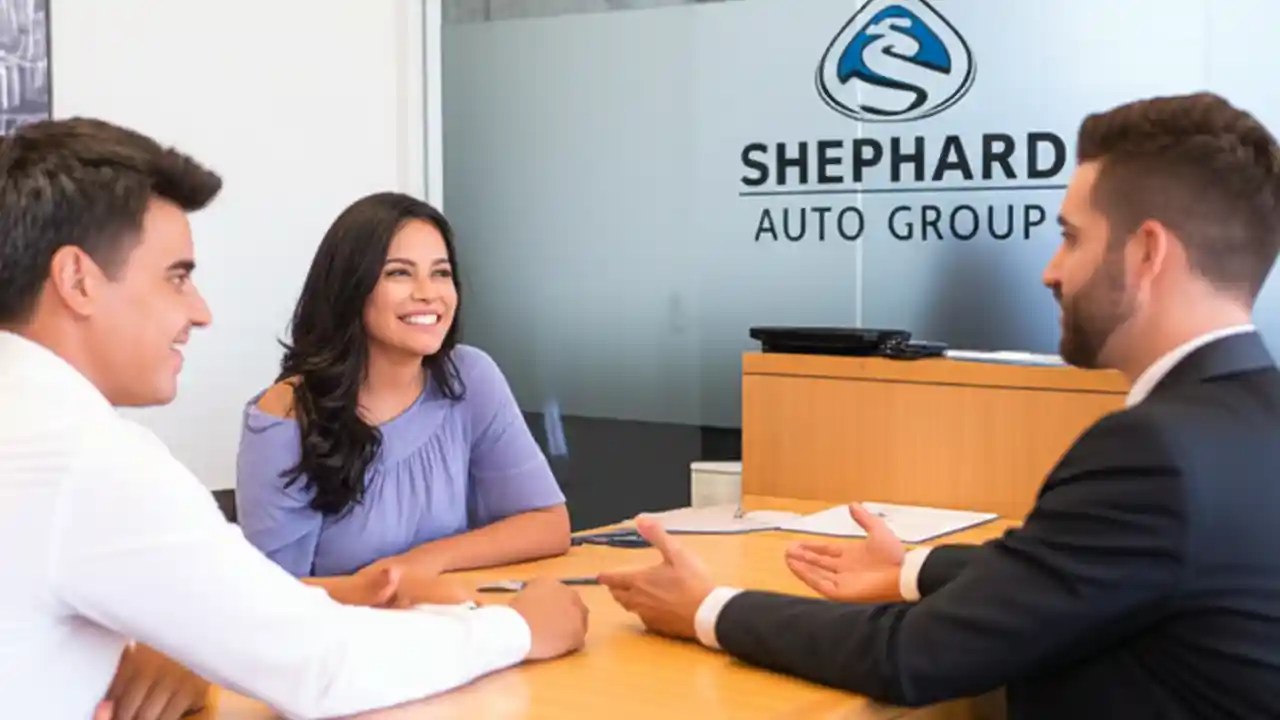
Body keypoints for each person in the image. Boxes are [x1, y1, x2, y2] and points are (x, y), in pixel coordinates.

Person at [598, 91, 1280, 719]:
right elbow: (1083, 569)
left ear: (1145, 253)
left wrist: (708, 608)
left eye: (1070, 236)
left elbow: (915, 655)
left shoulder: (1153, 452)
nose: (1051, 269)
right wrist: (910, 569)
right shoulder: (1249, 420)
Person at [0, 117, 588, 720]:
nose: (199, 312)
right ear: (77, 280)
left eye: (440, 272)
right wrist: (517, 628)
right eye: (177, 277)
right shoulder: (90, 463)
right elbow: (319, 667)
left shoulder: (32, 434)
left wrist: (191, 646)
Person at [234, 192, 571, 603]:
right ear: (351, 288)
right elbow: (266, 598)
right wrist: (382, 589)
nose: (428, 293)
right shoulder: (286, 415)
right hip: (341, 649)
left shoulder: (469, 377)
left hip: (456, 630)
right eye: (399, 273)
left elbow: (548, 523)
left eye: (441, 273)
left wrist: (425, 561)